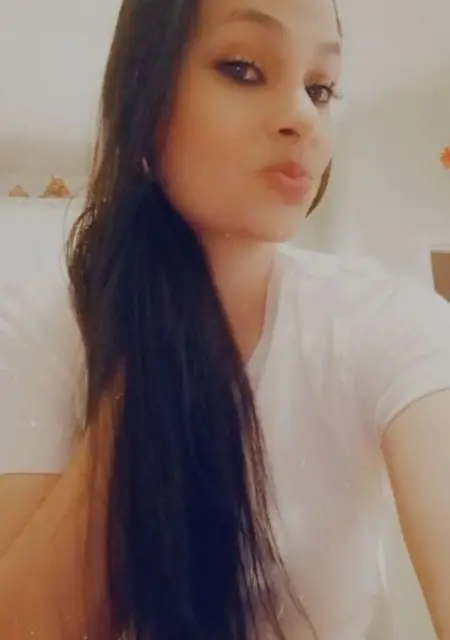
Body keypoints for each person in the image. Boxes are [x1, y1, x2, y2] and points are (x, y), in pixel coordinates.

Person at [1, 0, 450, 638]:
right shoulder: (44, 329)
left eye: (320, 88)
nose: (303, 116)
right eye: (243, 68)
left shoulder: (382, 321)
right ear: (145, 98)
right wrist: (151, 355)